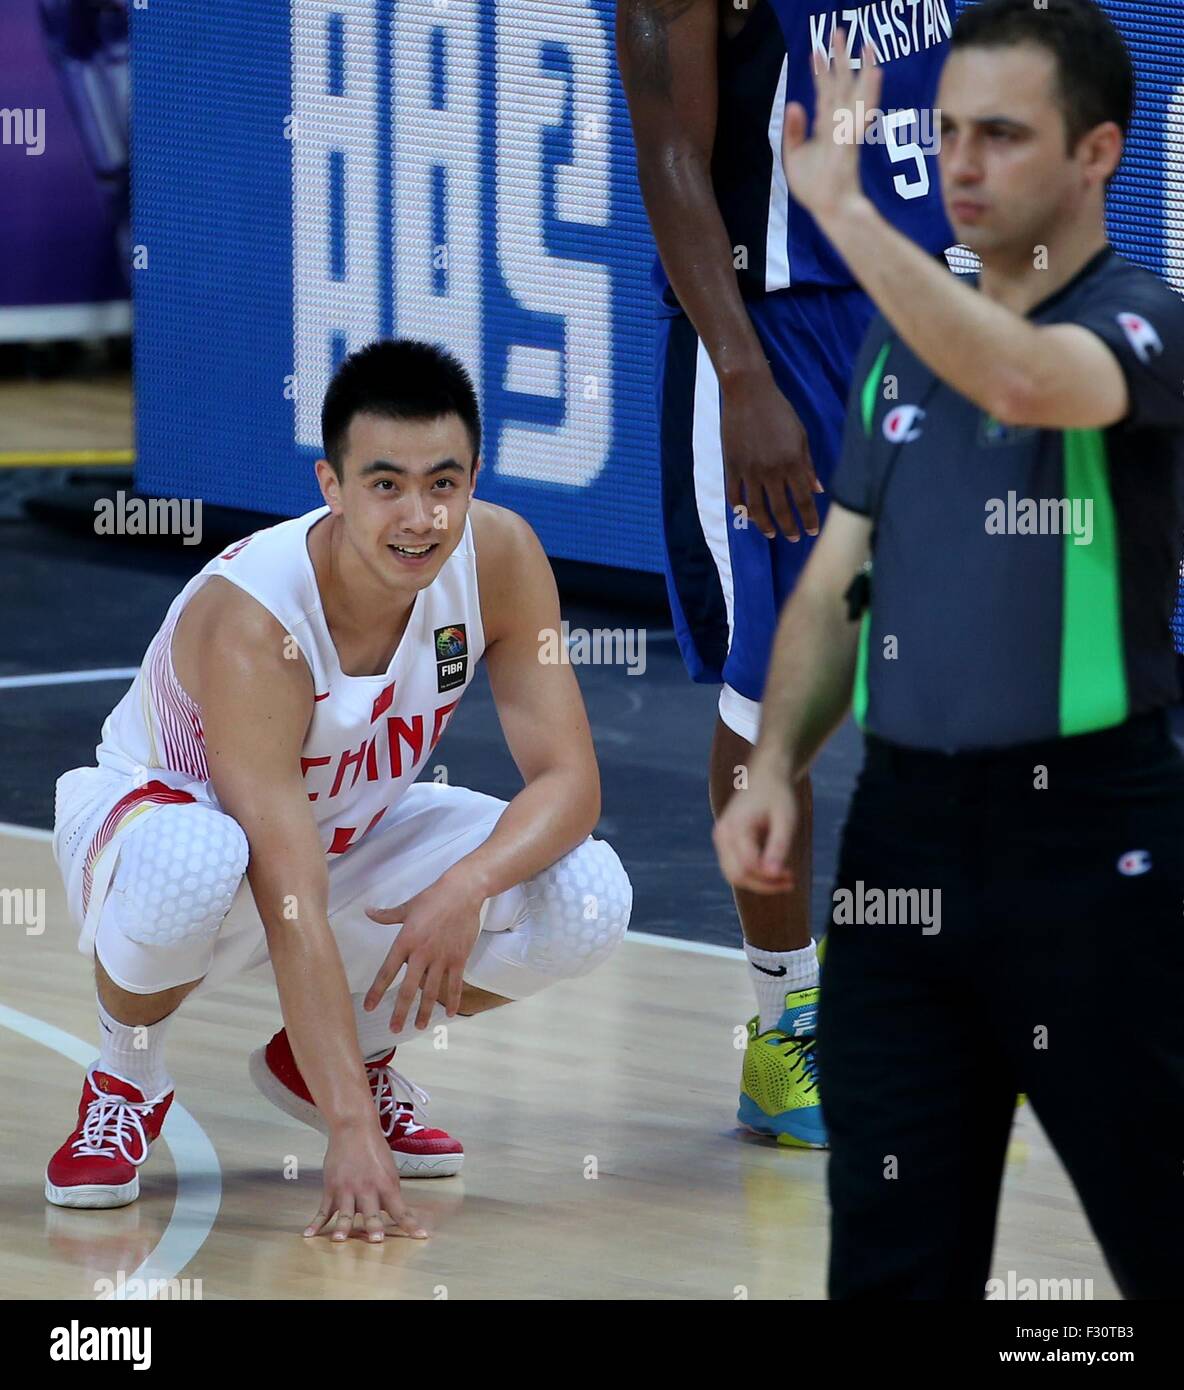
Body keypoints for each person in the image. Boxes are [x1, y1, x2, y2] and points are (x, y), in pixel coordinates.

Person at [714, 0, 1184, 1297]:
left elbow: (1028, 380)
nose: (962, 165)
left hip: (1094, 847)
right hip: (903, 853)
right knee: (890, 1261)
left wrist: (846, 213)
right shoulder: (895, 358)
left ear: (1097, 153)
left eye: (1002, 136)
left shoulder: (1142, 322)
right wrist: (770, 767)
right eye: (947, 132)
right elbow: (830, 585)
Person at [46, 339, 632, 1243]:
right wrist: (352, 1132)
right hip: (156, 823)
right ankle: (126, 1074)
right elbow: (289, 897)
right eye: (385, 484)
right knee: (197, 864)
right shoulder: (256, 621)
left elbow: (571, 781)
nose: (420, 516)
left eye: (444, 483)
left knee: (587, 897)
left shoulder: (503, 555)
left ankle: (330, 1057)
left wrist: (465, 886)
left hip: (345, 830)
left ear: (475, 477)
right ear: (331, 484)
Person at [616, 0, 957, 1148]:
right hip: (777, 336)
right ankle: (784, 1024)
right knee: (781, 701)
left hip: (915, 306)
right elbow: (667, 146)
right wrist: (739, 373)